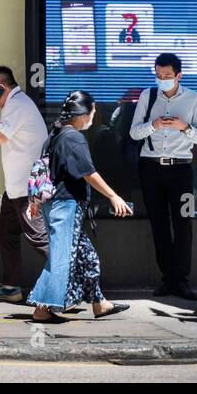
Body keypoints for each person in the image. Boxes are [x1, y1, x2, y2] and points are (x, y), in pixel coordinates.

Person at [28, 90, 132, 322]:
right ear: (83, 113)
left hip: (55, 205)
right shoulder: (73, 137)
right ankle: (42, 309)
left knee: (88, 257)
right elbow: (88, 172)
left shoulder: (54, 135)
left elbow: (41, 171)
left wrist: (34, 201)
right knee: (61, 257)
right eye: (93, 112)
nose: (94, 117)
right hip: (65, 205)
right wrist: (113, 196)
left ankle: (99, 303)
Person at [129, 52, 197, 300]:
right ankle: (167, 279)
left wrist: (184, 127)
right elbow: (134, 133)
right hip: (150, 168)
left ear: (179, 76)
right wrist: (154, 125)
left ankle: (181, 280)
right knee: (159, 224)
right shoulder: (147, 96)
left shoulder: (193, 99)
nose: (162, 79)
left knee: (184, 224)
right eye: (159, 75)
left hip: (181, 169)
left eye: (167, 76)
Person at [0, 65, 49, 302]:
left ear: (1, 88)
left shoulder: (18, 104)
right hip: (15, 187)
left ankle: (73, 281)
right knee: (6, 233)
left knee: (39, 239)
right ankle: (10, 288)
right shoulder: (15, 104)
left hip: (27, 189)